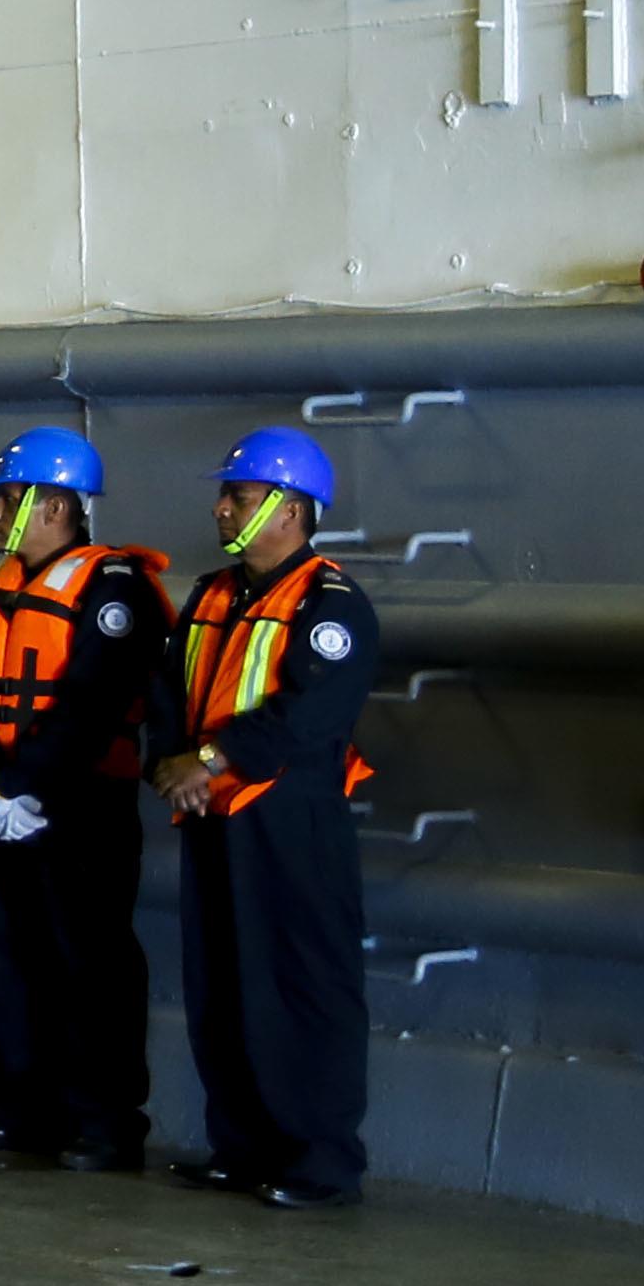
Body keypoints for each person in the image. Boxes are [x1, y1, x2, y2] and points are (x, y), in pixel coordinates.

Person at [161, 424, 377, 1208]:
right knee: (223, 982)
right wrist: (171, 760)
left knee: (303, 986)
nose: (223, 509)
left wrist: (210, 761)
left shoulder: (332, 604)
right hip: (214, 819)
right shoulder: (212, 594)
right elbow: (170, 688)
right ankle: (243, 1146)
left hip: (291, 825)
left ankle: (321, 1164)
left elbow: (308, 713)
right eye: (226, 495)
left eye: (240, 496)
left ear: (289, 509)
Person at [0, 427, 170, 1172]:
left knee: (90, 965)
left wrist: (23, 786)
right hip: (0, 807)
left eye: (8, 499)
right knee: (10, 961)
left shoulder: (115, 590)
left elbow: (91, 704)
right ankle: (21, 1112)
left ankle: (105, 1123)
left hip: (80, 810)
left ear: (53, 507)